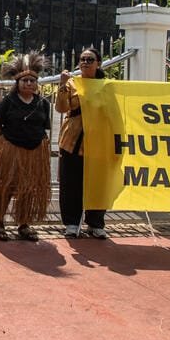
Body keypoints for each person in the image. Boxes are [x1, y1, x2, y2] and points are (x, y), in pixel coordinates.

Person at [0, 52, 52, 242]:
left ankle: (23, 223)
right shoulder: (8, 102)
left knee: (29, 187)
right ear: (17, 83)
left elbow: (44, 126)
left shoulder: (43, 103)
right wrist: (5, 147)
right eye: (25, 81)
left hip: (34, 151)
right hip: (11, 149)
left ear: (37, 83)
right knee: (7, 185)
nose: (29, 83)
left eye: (32, 80)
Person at [56, 47, 108, 238]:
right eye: (83, 59)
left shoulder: (107, 86)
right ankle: (70, 222)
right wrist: (62, 85)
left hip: (99, 142)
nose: (85, 62)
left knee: (98, 183)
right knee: (71, 183)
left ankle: (95, 223)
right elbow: (61, 108)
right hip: (72, 140)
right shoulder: (72, 83)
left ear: (98, 63)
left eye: (90, 59)